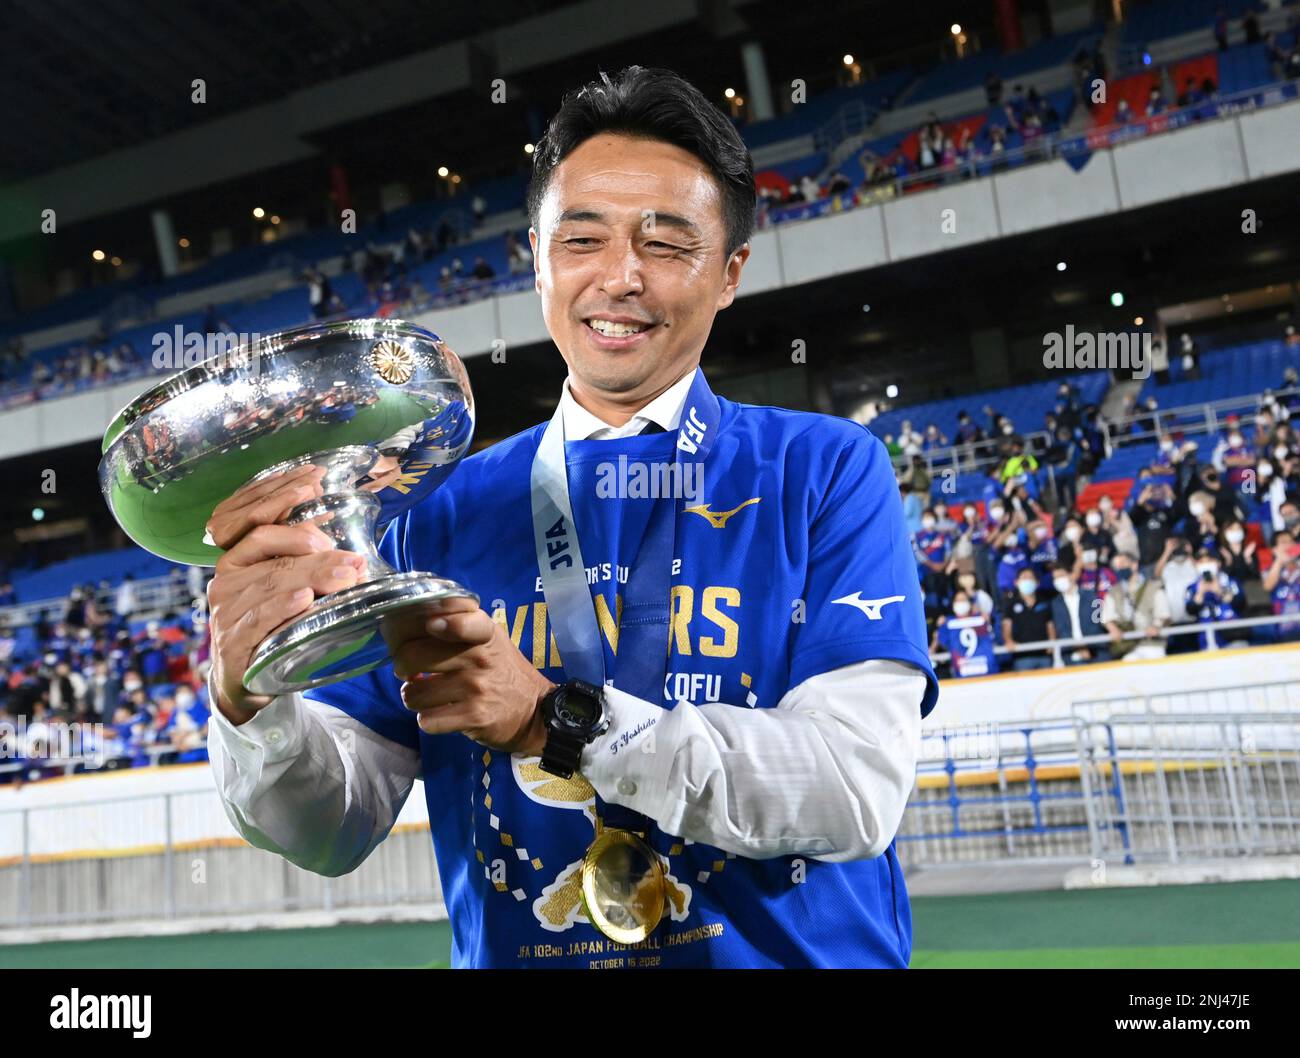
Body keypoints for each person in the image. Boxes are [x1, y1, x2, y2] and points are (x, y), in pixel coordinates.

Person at [202, 67, 937, 970]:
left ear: (731, 272)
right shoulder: (435, 510)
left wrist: (557, 721)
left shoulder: (824, 470)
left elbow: (854, 790)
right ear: (538, 258)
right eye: (582, 237)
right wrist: (252, 698)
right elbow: (326, 833)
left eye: (666, 245)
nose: (620, 277)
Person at [1101, 552, 1171, 661]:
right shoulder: (1113, 591)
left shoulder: (1154, 587)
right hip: (1127, 647)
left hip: (1152, 644)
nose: (1120, 568)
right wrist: (1113, 629)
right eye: (1117, 566)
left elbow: (1164, 614)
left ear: (1134, 565)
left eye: (1123, 564)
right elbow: (1106, 617)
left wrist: (1156, 626)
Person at [932, 591, 999, 678]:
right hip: (963, 673)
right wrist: (942, 626)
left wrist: (988, 621)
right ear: (953, 605)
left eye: (963, 600)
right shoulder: (948, 624)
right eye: (958, 600)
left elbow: (994, 636)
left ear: (970, 603)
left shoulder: (981, 618)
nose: (961, 603)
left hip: (987, 671)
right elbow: (943, 642)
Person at [1050, 565, 1107, 665]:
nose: (1058, 580)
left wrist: (1086, 646)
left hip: (1096, 650)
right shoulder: (1055, 603)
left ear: (1072, 575)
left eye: (1061, 575)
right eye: (1055, 578)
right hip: (1070, 653)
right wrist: (1076, 647)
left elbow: (1096, 622)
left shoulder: (1092, 596)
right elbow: (1061, 629)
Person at [1002, 571, 1054, 670]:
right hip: (1022, 655)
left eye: (1030, 578)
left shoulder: (1044, 602)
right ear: (1016, 582)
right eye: (1024, 578)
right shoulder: (1010, 604)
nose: (1027, 580)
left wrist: (1052, 642)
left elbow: (1050, 624)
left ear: (1037, 583)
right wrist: (1008, 640)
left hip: (1044, 654)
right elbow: (1006, 625)